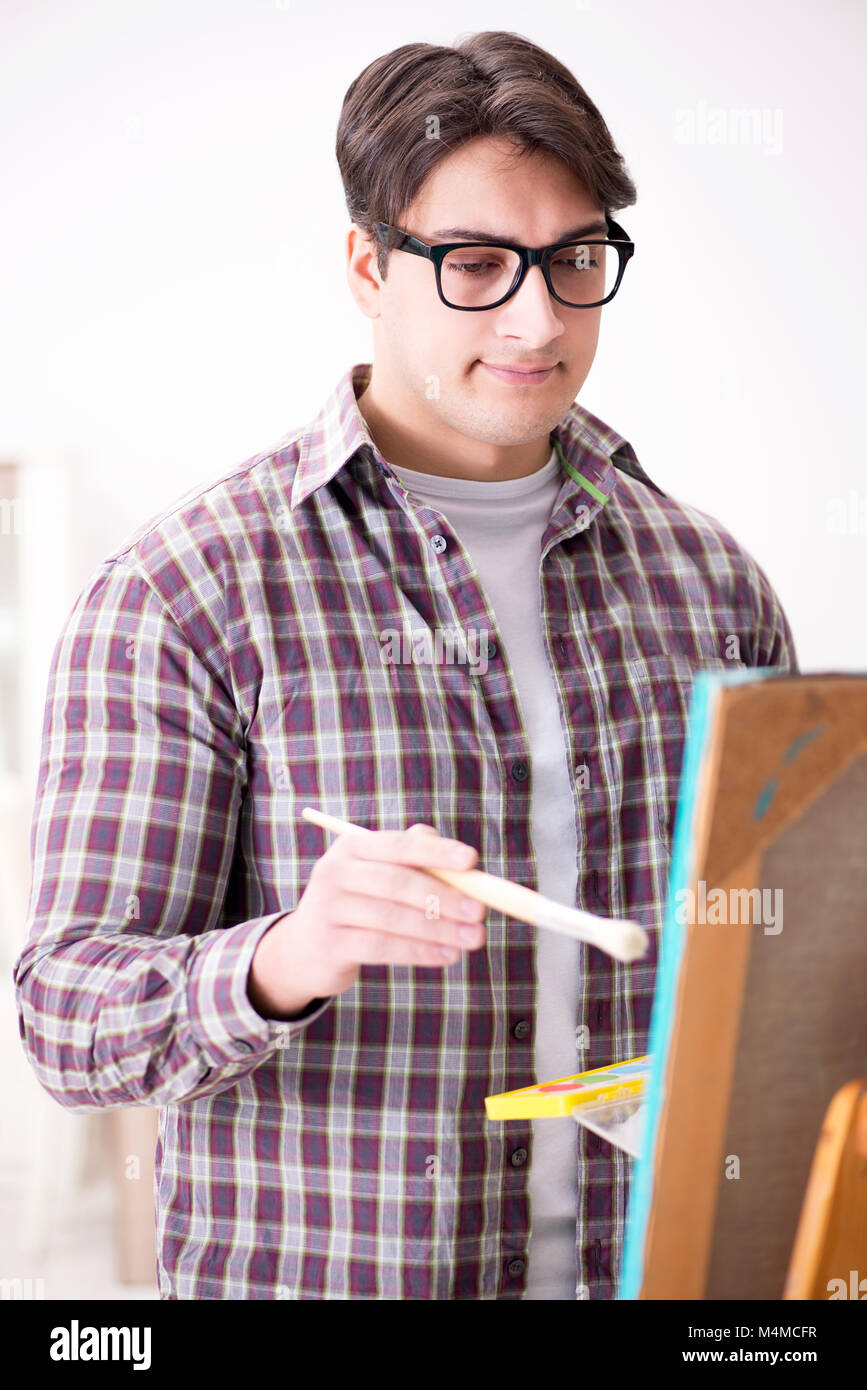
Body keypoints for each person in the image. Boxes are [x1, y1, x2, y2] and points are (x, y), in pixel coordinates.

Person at [13, 30, 797, 1300]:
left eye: (577, 260)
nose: (540, 317)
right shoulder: (184, 593)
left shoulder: (713, 586)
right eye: (478, 264)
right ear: (368, 267)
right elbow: (68, 1017)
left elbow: (781, 971)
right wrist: (286, 955)